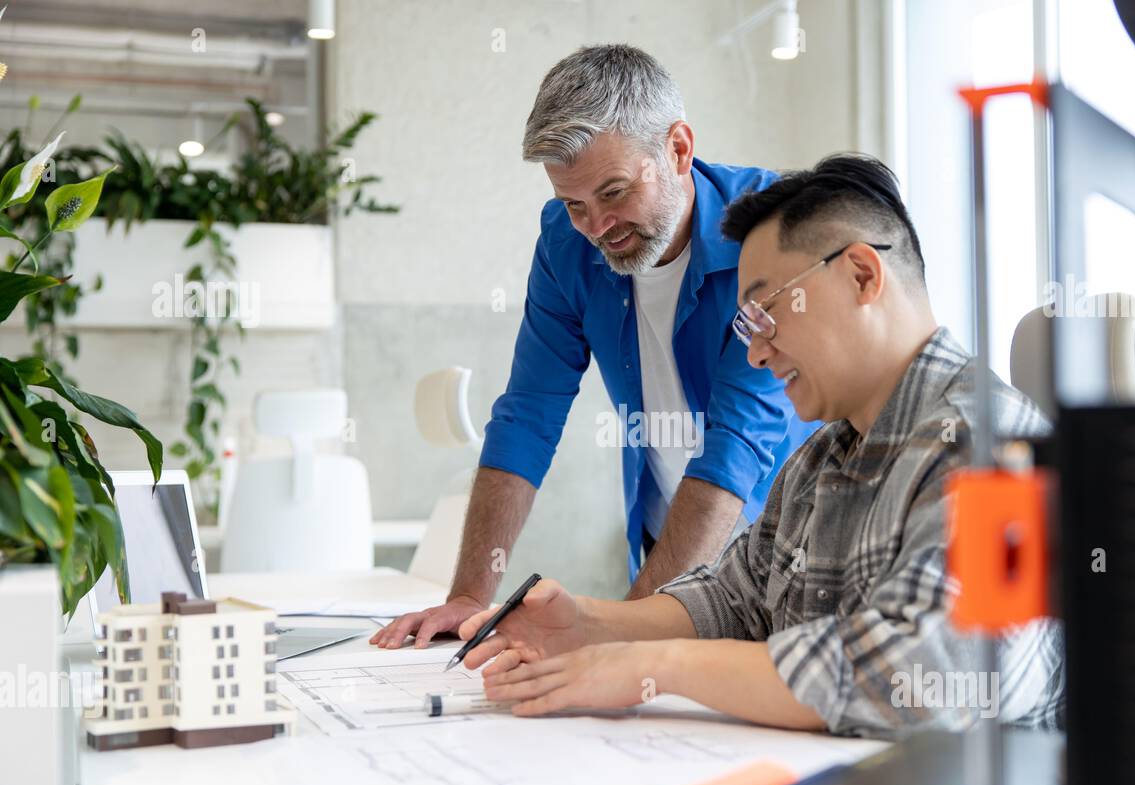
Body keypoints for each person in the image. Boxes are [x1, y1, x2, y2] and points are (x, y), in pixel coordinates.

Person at [449, 154, 1064, 736]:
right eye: (747, 324)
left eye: (766, 310)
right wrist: (589, 625)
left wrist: (654, 666)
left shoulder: (1000, 449)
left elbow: (933, 674)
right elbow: (733, 599)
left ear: (861, 275)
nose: (756, 351)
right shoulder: (822, 458)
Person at [373, 44, 816, 650]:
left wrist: (610, 636)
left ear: (678, 149)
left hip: (789, 560)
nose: (596, 227)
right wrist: (469, 598)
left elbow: (733, 448)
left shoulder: (770, 233)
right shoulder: (567, 244)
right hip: (670, 555)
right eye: (572, 203)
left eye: (613, 193)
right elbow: (528, 413)